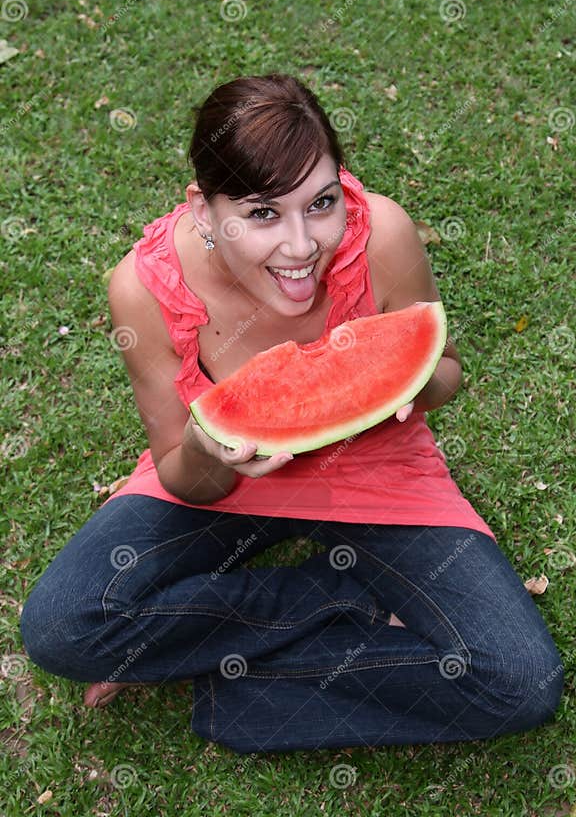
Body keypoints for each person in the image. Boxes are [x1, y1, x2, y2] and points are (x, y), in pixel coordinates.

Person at [20, 73, 564, 755]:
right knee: (62, 627)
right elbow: (184, 479)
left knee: (521, 681)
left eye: (322, 203)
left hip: (377, 471)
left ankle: (237, 696)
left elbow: (445, 366)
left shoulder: (382, 236)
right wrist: (203, 451)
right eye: (261, 213)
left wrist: (400, 389)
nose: (302, 245)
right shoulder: (143, 291)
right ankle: (342, 591)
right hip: (225, 487)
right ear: (202, 211)